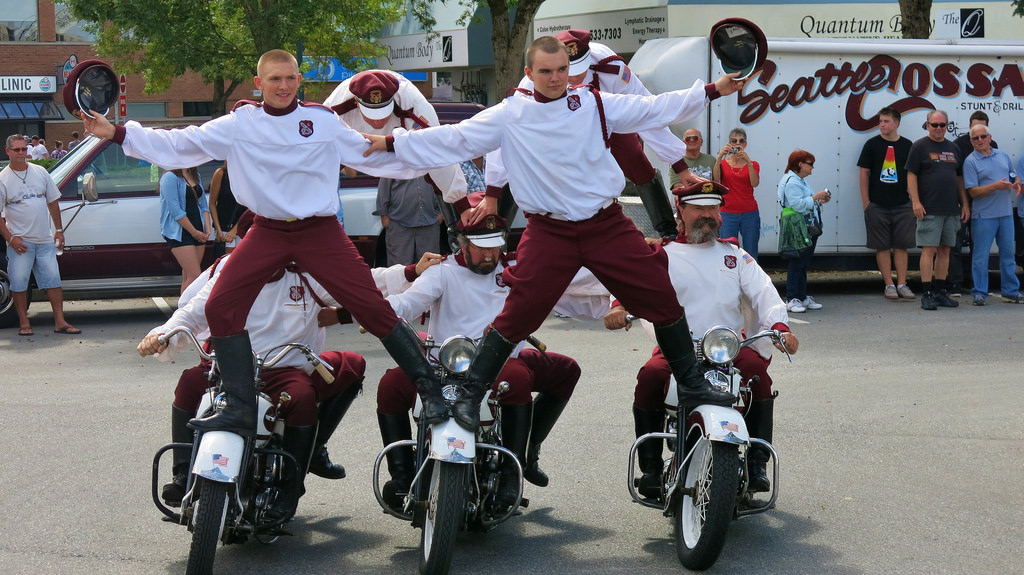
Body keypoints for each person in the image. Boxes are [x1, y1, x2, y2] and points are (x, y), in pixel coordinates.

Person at [363, 35, 748, 431]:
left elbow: (653, 108)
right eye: (546, 71)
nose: (556, 78)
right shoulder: (510, 113)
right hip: (549, 231)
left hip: (605, 224)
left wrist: (713, 90)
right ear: (529, 73)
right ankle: (470, 393)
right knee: (517, 315)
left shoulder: (594, 103)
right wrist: (391, 142)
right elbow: (452, 138)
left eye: (562, 69)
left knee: (661, 296)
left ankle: (692, 383)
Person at [79, 49, 447, 441]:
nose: (283, 86)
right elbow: (183, 143)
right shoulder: (241, 123)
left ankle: (431, 389)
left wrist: (430, 151)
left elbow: (371, 152)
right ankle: (239, 405)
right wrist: (116, 132)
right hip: (268, 230)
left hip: (319, 231)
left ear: (299, 80)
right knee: (219, 305)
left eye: (290, 78)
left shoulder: (322, 121)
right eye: (274, 79)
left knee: (371, 307)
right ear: (259, 84)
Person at [137, 252, 440, 517]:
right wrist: (160, 335)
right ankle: (182, 475)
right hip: (227, 364)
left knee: (303, 398)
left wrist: (410, 272)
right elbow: (192, 311)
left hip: (280, 369)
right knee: (189, 382)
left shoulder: (306, 272)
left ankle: (289, 490)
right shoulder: (231, 270)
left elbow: (361, 281)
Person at [604, 180, 799, 497]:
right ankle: (650, 469)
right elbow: (630, 281)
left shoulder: (733, 255)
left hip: (728, 348)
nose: (707, 215)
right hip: (675, 346)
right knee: (650, 378)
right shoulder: (662, 254)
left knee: (758, 377)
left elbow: (764, 292)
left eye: (712, 208)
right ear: (680, 210)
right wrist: (619, 306)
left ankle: (757, 465)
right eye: (698, 208)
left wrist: (780, 327)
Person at [378, 214, 581, 510]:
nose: (489, 254)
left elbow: (571, 278)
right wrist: (378, 310)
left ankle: (517, 467)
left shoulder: (515, 269)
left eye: (495, 246)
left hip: (500, 360)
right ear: (462, 244)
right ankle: (402, 476)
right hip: (444, 364)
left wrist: (616, 301)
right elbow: (409, 302)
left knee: (557, 372)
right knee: (390, 385)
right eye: (481, 247)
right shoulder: (443, 271)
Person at [512, 29, 706, 240]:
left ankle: (667, 229)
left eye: (580, 69)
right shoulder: (533, 82)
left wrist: (680, 166)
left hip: (609, 119)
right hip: (561, 131)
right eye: (567, 70)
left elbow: (647, 114)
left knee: (634, 157)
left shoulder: (611, 68)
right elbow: (516, 133)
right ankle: (501, 231)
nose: (574, 77)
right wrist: (493, 193)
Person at [322, 69, 469, 210]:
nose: (378, 122)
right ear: (357, 103)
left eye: (382, 114)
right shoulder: (334, 108)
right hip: (350, 130)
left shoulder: (414, 104)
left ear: (393, 102)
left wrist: (462, 205)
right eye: (371, 115)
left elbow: (437, 151)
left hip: (403, 131)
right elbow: (319, 153)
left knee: (433, 154)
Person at [0, 134, 80, 336]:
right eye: (17, 150)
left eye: (24, 149)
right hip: (20, 243)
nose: (21, 153)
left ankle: (60, 321)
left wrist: (59, 230)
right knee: (18, 282)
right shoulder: (3, 179)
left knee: (53, 281)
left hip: (45, 240)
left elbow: (52, 201)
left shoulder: (40, 172)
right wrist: (11, 238)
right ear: (8, 151)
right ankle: (24, 322)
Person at [906, 110, 970, 311]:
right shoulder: (919, 146)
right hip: (929, 208)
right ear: (927, 125)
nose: (939, 128)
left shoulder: (953, 148)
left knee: (945, 250)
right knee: (929, 250)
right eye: (934, 125)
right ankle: (926, 294)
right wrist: (916, 202)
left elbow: (959, 178)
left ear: (947, 126)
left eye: (943, 125)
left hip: (951, 209)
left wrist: (964, 204)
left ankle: (940, 292)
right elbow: (911, 175)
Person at [857, 106, 916, 300]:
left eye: (886, 121)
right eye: (880, 121)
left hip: (903, 204)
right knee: (881, 246)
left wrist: (913, 200)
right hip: (877, 205)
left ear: (896, 123)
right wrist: (866, 202)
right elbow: (864, 173)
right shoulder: (872, 144)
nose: (882, 125)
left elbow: (913, 174)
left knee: (901, 246)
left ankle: (902, 284)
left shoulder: (907, 145)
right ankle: (889, 285)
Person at [962, 124, 1024, 305]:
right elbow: (973, 192)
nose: (980, 140)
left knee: (1008, 255)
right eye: (976, 138)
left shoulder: (1003, 155)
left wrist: (1017, 183)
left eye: (983, 136)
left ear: (990, 138)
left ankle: (1010, 291)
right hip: (984, 216)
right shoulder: (970, 161)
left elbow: (1014, 176)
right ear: (971, 142)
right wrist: (995, 186)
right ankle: (979, 292)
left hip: (1005, 214)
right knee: (981, 257)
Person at [950, 111, 999, 296]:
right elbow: (958, 178)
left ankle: (975, 283)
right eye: (975, 126)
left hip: (983, 203)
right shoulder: (958, 145)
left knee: (978, 245)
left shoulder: (993, 145)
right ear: (970, 126)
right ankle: (954, 284)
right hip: (961, 202)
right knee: (954, 244)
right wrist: (964, 204)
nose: (979, 137)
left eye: (983, 127)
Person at [778, 150, 832, 313]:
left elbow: (803, 202)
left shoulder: (798, 180)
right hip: (798, 228)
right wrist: (815, 197)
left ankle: (801, 297)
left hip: (803, 226)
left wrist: (819, 201)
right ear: (800, 164)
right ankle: (792, 299)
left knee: (802, 263)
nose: (812, 167)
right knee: (797, 262)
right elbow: (797, 205)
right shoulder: (793, 182)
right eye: (810, 164)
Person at [159, 166, 210, 294]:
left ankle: (185, 305)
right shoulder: (169, 177)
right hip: (179, 231)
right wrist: (194, 232)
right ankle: (184, 307)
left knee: (188, 275)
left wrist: (207, 228)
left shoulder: (195, 175)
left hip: (198, 228)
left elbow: (203, 205)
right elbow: (175, 210)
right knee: (195, 275)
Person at [713, 127, 762, 258]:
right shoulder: (723, 164)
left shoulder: (753, 164)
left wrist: (748, 162)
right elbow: (716, 181)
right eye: (734, 141)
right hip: (727, 212)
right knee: (728, 251)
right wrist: (719, 157)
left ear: (745, 144)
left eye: (741, 141)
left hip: (749, 212)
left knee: (751, 250)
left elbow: (754, 183)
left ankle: (751, 272)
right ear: (729, 144)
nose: (737, 144)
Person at [375, 175, 442, 265]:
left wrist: (441, 213)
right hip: (398, 224)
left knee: (430, 267)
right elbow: (383, 188)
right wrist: (384, 215)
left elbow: (442, 183)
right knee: (399, 268)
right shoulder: (393, 165)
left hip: (430, 222)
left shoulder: (432, 164)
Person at [208, 161, 243, 257]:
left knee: (241, 260)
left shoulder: (247, 176)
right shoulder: (221, 174)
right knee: (225, 260)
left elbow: (250, 207)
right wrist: (218, 230)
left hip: (242, 226)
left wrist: (235, 230)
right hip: (224, 227)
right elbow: (212, 203)